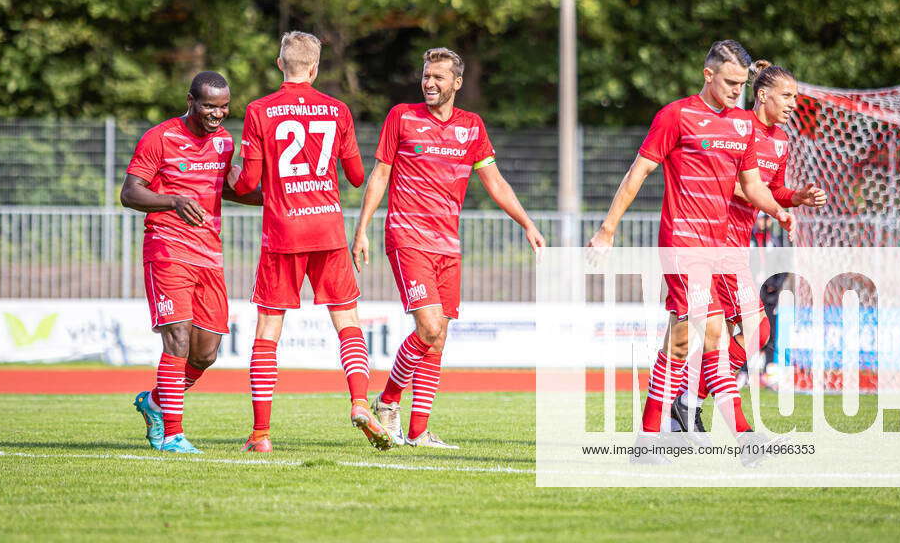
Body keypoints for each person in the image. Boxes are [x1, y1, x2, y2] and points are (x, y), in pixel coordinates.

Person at [587, 41, 794, 464]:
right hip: (683, 244)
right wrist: (607, 230)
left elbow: (753, 185)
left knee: (680, 343)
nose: (738, 90)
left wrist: (779, 210)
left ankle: (647, 443)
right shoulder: (677, 115)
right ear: (708, 75)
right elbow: (638, 172)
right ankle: (745, 442)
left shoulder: (741, 126)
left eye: (742, 83)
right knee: (712, 334)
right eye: (731, 82)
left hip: (719, 249)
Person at [352, 47, 546, 449]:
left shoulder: (472, 126)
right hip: (407, 237)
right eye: (426, 75)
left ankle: (420, 432)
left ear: (457, 83)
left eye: (438, 77)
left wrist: (526, 222)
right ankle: (388, 402)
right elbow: (380, 174)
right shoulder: (401, 117)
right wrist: (362, 229)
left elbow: (494, 182)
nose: (429, 83)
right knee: (429, 326)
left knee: (439, 338)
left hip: (448, 245)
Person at [230, 31, 392, 453]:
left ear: (280, 63)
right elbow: (357, 177)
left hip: (283, 233)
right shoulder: (337, 110)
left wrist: (231, 180)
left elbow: (247, 181)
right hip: (329, 231)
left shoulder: (259, 110)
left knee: (269, 329)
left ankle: (261, 435)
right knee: (348, 322)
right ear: (315, 68)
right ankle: (360, 403)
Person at [669, 64, 826, 433]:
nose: (793, 104)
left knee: (740, 333)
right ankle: (691, 409)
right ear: (763, 95)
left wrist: (795, 198)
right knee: (740, 331)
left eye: (795, 97)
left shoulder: (781, 141)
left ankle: (683, 404)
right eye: (787, 96)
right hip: (713, 242)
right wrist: (771, 200)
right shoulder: (737, 126)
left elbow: (773, 190)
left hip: (738, 249)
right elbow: (726, 182)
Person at [122, 71, 261, 454]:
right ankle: (172, 434)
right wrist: (172, 200)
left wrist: (279, 198)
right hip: (167, 249)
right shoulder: (160, 137)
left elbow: (231, 188)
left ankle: (153, 403)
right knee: (178, 338)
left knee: (205, 353)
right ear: (190, 100)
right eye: (209, 106)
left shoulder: (225, 141)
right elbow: (130, 192)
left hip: (209, 256)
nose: (217, 114)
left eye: (223, 106)